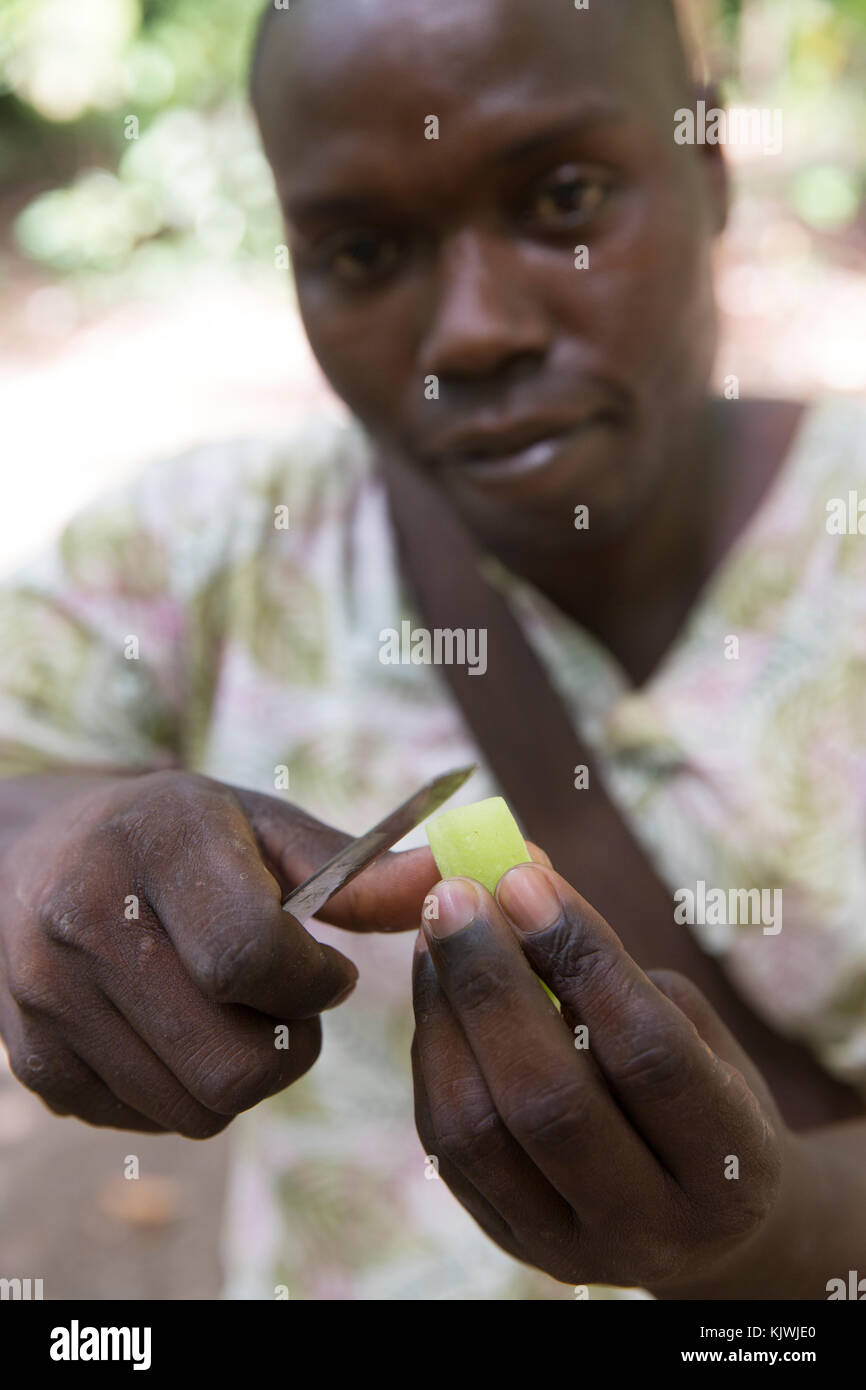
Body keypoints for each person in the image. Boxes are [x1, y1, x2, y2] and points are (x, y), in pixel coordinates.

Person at [0, 0, 864, 1300]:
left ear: (706, 176)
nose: (471, 331)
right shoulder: (205, 549)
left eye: (562, 199)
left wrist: (776, 1231)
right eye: (359, 249)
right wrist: (50, 851)